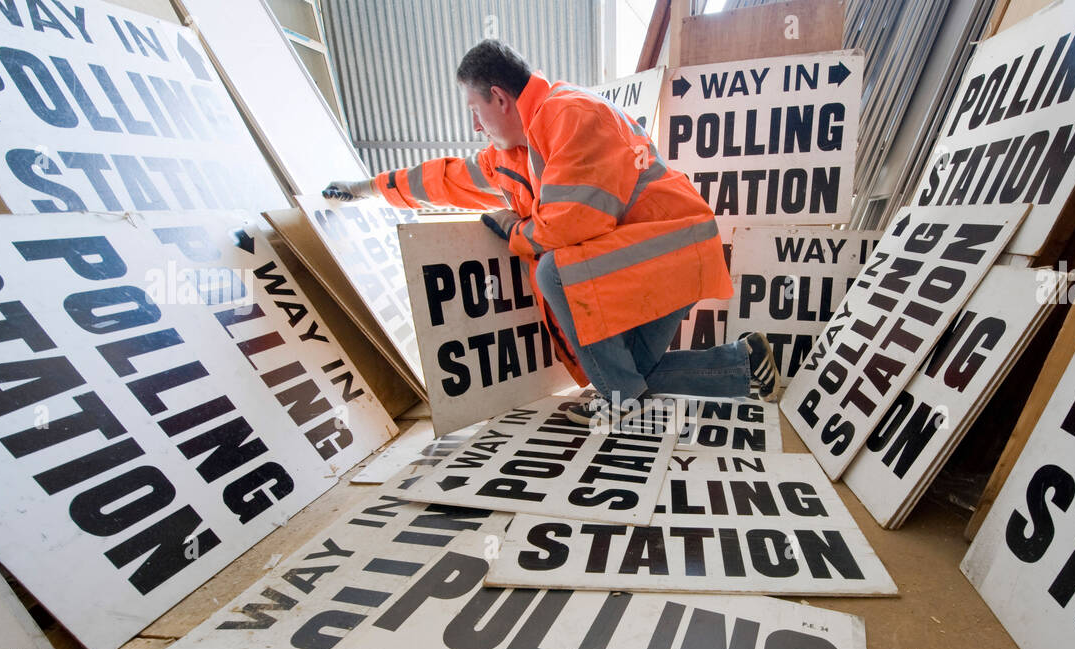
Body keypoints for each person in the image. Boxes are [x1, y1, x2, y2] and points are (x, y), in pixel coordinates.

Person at [323, 39, 782, 429]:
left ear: (500, 98)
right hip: (653, 255)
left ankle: (622, 402)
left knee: (555, 272)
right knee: (634, 371)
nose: (474, 126)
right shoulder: (514, 152)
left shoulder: (572, 115)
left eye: (475, 111)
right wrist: (366, 189)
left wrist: (511, 227)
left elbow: (567, 225)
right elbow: (444, 179)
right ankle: (744, 363)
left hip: (672, 249)